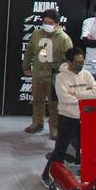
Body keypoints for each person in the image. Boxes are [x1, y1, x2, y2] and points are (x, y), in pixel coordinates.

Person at [41, 48, 96, 186]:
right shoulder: (60, 77)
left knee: (82, 149)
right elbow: (64, 99)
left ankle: (78, 176)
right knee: (60, 149)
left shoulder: (87, 74)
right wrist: (85, 95)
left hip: (84, 117)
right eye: (77, 62)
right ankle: (46, 175)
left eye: (82, 61)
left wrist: (76, 95)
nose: (80, 64)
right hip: (67, 117)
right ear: (69, 62)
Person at [22, 9, 72, 137]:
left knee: (54, 104)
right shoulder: (37, 33)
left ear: (57, 23)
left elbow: (69, 59)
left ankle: (54, 127)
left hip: (54, 76)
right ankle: (37, 122)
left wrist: (66, 75)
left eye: (50, 23)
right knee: (37, 101)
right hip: (38, 73)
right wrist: (26, 66)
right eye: (45, 22)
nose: (47, 25)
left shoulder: (64, 38)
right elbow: (29, 51)